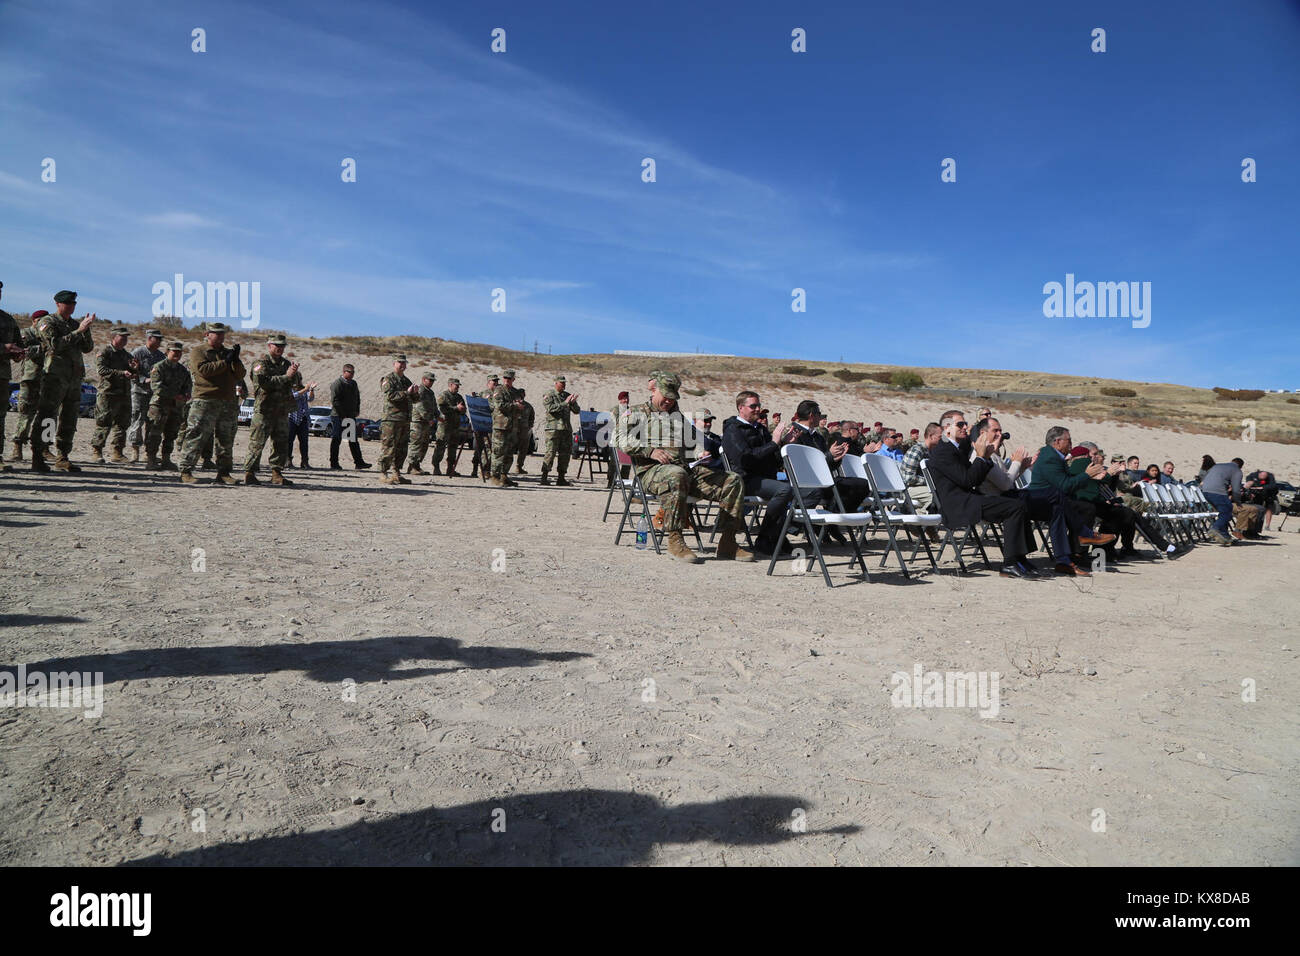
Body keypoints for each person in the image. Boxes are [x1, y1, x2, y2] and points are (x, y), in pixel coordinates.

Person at [615, 371, 753, 564]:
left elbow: (694, 441)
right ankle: (675, 539)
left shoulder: (678, 417)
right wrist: (649, 451)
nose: (669, 402)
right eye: (666, 397)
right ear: (655, 390)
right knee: (676, 474)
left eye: (673, 399)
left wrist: (699, 453)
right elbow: (619, 439)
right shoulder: (636, 414)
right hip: (651, 472)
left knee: (732, 480)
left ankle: (728, 541)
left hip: (684, 471)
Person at [927, 409, 1037, 579]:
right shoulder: (942, 452)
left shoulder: (957, 447)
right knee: (1014, 507)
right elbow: (966, 480)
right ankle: (1009, 563)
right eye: (961, 424)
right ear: (947, 428)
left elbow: (974, 478)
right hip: (958, 504)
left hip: (970, 498)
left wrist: (986, 454)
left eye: (965, 423)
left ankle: (1020, 558)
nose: (966, 427)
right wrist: (982, 456)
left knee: (1019, 503)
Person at [1025, 426, 1118, 573]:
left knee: (1065, 508)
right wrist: (1087, 475)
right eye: (1068, 440)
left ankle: (1066, 559)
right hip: (1040, 501)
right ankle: (1083, 538)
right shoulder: (1050, 457)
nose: (1071, 444)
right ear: (1057, 441)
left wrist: (1091, 476)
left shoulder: (1054, 456)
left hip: (1052, 500)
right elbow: (1065, 486)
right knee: (1081, 507)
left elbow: (1067, 481)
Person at [1068, 445, 1176, 559]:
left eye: (1098, 455)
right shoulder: (1083, 465)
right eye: (1095, 454)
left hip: (1098, 502)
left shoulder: (1094, 467)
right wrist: (1110, 475)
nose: (1098, 457)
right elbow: (1094, 488)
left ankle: (1115, 549)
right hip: (1087, 503)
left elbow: (1106, 487)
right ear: (1085, 455)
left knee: (1128, 513)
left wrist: (1114, 476)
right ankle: (1108, 550)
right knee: (1123, 513)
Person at [722, 390, 793, 557]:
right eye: (753, 406)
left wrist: (782, 444)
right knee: (784, 490)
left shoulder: (760, 429)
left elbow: (774, 461)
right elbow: (745, 459)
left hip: (763, 478)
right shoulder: (733, 429)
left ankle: (776, 537)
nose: (757, 409)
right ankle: (764, 538)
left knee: (793, 488)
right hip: (743, 480)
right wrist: (774, 442)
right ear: (741, 408)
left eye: (758, 405)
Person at [32, 291, 95, 473]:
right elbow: (55, 345)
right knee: (48, 416)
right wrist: (79, 331)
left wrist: (86, 329)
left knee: (69, 418)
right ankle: (39, 455)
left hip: (74, 379)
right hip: (55, 377)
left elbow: (87, 347)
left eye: (73, 303)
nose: (71, 306)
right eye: (67, 303)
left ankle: (63, 457)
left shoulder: (75, 324)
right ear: (58, 304)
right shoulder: (48, 322)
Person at [179, 322, 245, 484]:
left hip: (227, 401)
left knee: (226, 438)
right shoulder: (198, 351)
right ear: (207, 334)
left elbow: (240, 374)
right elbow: (203, 370)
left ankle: (223, 473)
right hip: (205, 400)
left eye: (222, 333)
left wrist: (235, 360)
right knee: (196, 435)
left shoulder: (227, 353)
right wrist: (225, 362)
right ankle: (186, 471)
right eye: (216, 333)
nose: (220, 336)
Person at [243, 333, 301, 486]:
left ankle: (276, 472)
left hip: (281, 410)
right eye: (277, 345)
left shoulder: (286, 364)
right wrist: (286, 377)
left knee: (280, 443)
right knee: (257, 442)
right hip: (264, 410)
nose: (280, 348)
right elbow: (263, 382)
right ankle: (250, 473)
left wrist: (293, 375)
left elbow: (293, 384)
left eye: (282, 346)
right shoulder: (261, 363)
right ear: (269, 346)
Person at [89, 326, 139, 463]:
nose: (125, 340)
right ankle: (97, 451)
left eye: (126, 337)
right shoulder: (105, 352)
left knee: (122, 424)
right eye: (122, 337)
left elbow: (133, 373)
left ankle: (118, 453)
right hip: (108, 393)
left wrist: (134, 370)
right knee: (103, 422)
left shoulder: (127, 355)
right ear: (113, 337)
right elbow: (102, 370)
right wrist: (122, 373)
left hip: (124, 394)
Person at [145, 341, 191, 470]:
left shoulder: (182, 370)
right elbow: (156, 386)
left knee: (171, 434)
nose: (176, 354)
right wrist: (175, 395)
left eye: (179, 352)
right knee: (154, 433)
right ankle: (151, 460)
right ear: (167, 352)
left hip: (175, 407)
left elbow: (187, 386)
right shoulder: (159, 367)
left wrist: (186, 394)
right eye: (173, 351)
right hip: (159, 406)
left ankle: (166, 459)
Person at [10, 311, 47, 465]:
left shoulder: (49, 334)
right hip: (31, 379)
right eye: (38, 320)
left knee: (49, 417)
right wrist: (45, 346)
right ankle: (18, 444)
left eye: (44, 321)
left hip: (50, 380)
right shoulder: (26, 333)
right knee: (26, 414)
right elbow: (24, 351)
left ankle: (45, 447)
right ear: (33, 321)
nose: (41, 323)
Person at [378, 354, 418, 485]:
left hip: (404, 419)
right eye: (399, 362)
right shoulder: (388, 379)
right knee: (389, 445)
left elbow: (415, 400)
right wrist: (407, 392)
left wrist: (415, 393)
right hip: (391, 419)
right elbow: (391, 396)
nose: (402, 365)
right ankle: (383, 473)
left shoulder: (406, 381)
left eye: (404, 363)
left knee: (402, 448)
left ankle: (396, 473)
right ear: (394, 364)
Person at [127, 330, 165, 462]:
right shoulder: (137, 353)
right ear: (149, 338)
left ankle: (149, 453)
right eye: (157, 339)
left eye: (161, 339)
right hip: (139, 392)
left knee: (152, 423)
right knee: (137, 421)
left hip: (154, 394)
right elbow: (131, 372)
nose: (160, 341)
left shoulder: (161, 356)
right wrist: (144, 379)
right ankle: (135, 450)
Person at [0, 281, 25, 468]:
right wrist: (4, 348)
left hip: (2, 375)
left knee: (1, 416)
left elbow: (18, 344)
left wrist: (18, 353)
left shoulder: (8, 320)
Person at [328, 364, 370, 471]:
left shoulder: (353, 383)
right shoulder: (337, 384)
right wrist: (343, 415)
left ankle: (359, 462)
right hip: (338, 416)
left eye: (353, 372)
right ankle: (334, 463)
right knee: (336, 439)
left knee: (353, 440)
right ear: (344, 372)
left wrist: (356, 410)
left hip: (350, 416)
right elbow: (335, 401)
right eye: (349, 372)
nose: (351, 374)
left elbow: (357, 397)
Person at [540, 375, 580, 486]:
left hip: (566, 429)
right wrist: (565, 403)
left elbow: (577, 411)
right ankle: (544, 477)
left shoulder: (567, 396)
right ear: (555, 383)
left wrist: (572, 403)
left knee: (565, 454)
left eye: (564, 383)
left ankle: (561, 478)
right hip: (553, 429)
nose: (563, 385)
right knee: (550, 453)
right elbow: (550, 408)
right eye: (561, 383)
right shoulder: (549, 395)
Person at [1200, 457, 1248, 545]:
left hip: (1205, 491)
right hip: (1217, 492)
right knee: (1227, 512)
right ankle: (1215, 528)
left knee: (1224, 511)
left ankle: (1225, 536)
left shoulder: (1218, 466)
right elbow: (1236, 489)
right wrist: (1238, 501)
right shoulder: (1237, 471)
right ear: (1240, 466)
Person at [489, 370, 524, 487]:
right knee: (498, 452)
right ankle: (495, 476)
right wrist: (515, 405)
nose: (507, 380)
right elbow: (500, 406)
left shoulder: (515, 392)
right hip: (501, 426)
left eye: (509, 378)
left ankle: (504, 475)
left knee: (509, 452)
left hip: (512, 426)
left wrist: (519, 405)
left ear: (513, 379)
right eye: (505, 378)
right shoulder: (499, 390)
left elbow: (520, 404)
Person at [900, 422, 942, 513]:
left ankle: (924, 520)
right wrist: (930, 480)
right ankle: (916, 516)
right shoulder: (917, 450)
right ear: (931, 436)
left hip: (923, 488)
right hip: (909, 489)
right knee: (938, 495)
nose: (942, 440)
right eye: (940, 437)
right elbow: (908, 478)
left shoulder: (931, 452)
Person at [406, 370, 439, 475]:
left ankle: (417, 465)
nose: (432, 382)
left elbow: (434, 406)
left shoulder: (430, 392)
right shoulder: (420, 390)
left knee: (424, 444)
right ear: (424, 379)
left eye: (433, 381)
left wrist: (438, 416)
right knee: (416, 444)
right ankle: (411, 466)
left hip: (426, 423)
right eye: (430, 380)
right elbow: (419, 406)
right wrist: (429, 418)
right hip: (418, 422)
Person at [431, 377, 466, 476]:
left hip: (455, 426)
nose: (458, 387)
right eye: (456, 385)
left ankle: (450, 468)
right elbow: (442, 409)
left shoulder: (459, 397)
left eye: (458, 386)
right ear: (450, 385)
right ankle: (436, 467)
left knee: (453, 447)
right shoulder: (443, 395)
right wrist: (456, 408)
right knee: (440, 446)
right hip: (444, 425)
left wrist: (462, 409)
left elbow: (463, 410)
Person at [470, 374, 501, 480]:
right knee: (482, 447)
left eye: (497, 381)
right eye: (494, 382)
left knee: (492, 448)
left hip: (495, 425)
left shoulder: (499, 392)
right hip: (483, 424)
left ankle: (487, 469)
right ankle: (480, 469)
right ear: (488, 383)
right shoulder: (483, 393)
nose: (496, 383)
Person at [288, 378, 318, 469]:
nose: (299, 381)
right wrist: (305, 389)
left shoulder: (303, 389)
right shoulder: (289, 388)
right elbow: (293, 396)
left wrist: (311, 389)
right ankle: (288, 460)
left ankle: (304, 461)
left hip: (303, 418)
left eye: (300, 379)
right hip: (292, 418)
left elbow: (310, 398)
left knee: (304, 442)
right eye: (298, 379)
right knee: (289, 441)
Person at [513, 388, 535, 474]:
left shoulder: (528, 406)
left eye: (522, 394)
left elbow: (532, 418)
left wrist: (529, 426)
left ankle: (519, 467)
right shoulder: (513, 405)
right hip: (513, 430)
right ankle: (504, 468)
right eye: (519, 394)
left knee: (523, 450)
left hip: (524, 431)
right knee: (509, 449)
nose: (521, 396)